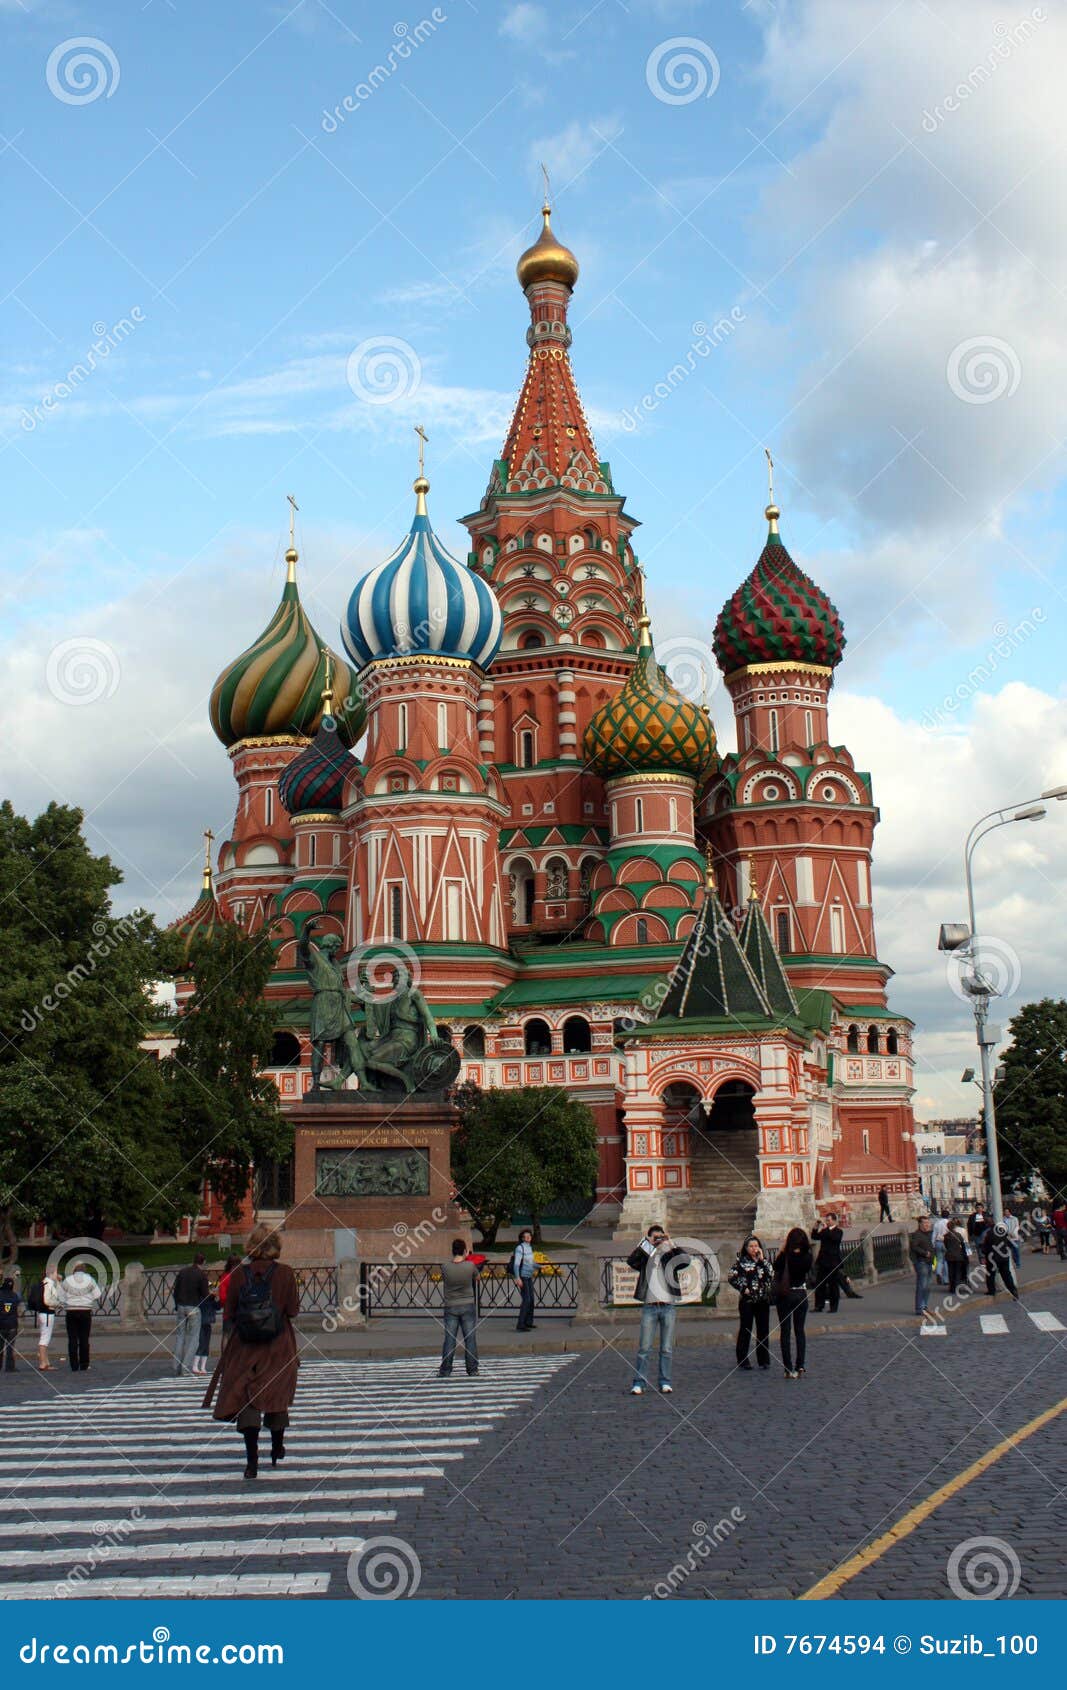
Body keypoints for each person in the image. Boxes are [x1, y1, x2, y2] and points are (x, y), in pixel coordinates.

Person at [205, 1224, 300, 1479]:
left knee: (248, 1398)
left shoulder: (238, 1274)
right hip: (277, 1346)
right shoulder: (286, 1273)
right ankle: (277, 1445)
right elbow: (292, 1311)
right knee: (276, 1397)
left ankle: (251, 1461)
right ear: (275, 1247)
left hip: (245, 1346)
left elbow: (230, 1311)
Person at [628, 1224, 691, 1396]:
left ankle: (665, 1381)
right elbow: (631, 1261)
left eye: (660, 1237)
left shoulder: (669, 1256)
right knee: (644, 1348)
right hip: (649, 1307)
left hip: (668, 1306)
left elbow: (686, 1260)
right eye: (655, 1237)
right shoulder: (645, 1256)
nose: (658, 1240)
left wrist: (671, 1243)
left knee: (666, 1348)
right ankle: (639, 1382)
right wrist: (646, 1244)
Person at [728, 1235, 773, 1371]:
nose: (754, 1249)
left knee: (763, 1330)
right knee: (746, 1329)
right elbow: (732, 1276)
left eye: (756, 1246)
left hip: (762, 1299)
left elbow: (771, 1274)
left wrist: (762, 1260)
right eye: (751, 1246)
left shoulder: (763, 1261)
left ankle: (763, 1359)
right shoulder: (741, 1261)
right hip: (747, 1300)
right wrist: (743, 1288)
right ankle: (743, 1359)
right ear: (746, 1248)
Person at [772, 1228, 813, 1378]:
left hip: (786, 1295)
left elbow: (775, 1267)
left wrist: (782, 1250)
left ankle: (788, 1368)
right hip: (801, 1294)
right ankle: (800, 1365)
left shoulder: (785, 1256)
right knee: (800, 1331)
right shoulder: (807, 1257)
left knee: (785, 1331)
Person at [438, 1238, 481, 1378]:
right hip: (467, 1304)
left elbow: (445, 1279)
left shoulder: (445, 1266)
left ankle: (445, 1370)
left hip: (451, 1305)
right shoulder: (470, 1266)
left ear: (452, 1251)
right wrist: (468, 1257)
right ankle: (472, 1369)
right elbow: (477, 1278)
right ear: (464, 1250)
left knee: (449, 1339)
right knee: (470, 1338)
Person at [58, 1261, 102, 1371]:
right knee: (84, 1338)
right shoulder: (90, 1280)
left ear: (74, 1269)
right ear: (84, 1269)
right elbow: (98, 1294)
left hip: (71, 1311)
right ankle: (84, 1363)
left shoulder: (67, 1280)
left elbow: (61, 1296)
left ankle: (74, 1364)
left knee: (72, 1338)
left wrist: (69, 1301)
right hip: (85, 1310)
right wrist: (88, 1299)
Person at [172, 1253, 210, 1378]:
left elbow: (175, 1290)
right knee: (194, 1339)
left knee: (180, 1337)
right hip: (194, 1307)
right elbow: (205, 1294)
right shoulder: (201, 1275)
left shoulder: (183, 1272)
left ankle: (176, 1366)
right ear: (203, 1262)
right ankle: (184, 1368)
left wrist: (177, 1304)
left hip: (181, 1306)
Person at [811, 1213, 844, 1313]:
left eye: (829, 1220)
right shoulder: (825, 1231)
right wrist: (816, 1226)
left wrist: (826, 1229)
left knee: (833, 1285)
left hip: (833, 1262)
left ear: (834, 1220)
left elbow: (834, 1239)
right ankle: (819, 1306)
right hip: (823, 1261)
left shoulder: (839, 1231)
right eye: (826, 1220)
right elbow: (815, 1236)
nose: (827, 1222)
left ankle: (833, 1307)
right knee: (820, 1284)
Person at [27, 1270, 59, 1372]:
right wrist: (57, 1303)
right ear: (51, 1274)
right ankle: (43, 1363)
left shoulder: (43, 1283)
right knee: (45, 1338)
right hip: (47, 1313)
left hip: (42, 1313)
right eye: (56, 1273)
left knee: (44, 1336)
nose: (57, 1275)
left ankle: (45, 1360)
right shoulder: (49, 1284)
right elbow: (47, 1300)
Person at [981, 1221, 1020, 1300]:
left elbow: (985, 1247)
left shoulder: (988, 1234)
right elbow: (1009, 1243)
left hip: (992, 1258)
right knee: (1007, 1275)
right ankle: (1013, 1291)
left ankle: (992, 1290)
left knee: (991, 1274)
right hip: (1003, 1257)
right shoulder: (1002, 1231)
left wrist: (984, 1254)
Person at [510, 1229, 537, 1332]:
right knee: (527, 1300)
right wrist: (517, 1278)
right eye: (525, 1236)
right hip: (523, 1277)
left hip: (529, 1276)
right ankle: (520, 1324)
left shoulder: (529, 1247)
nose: (528, 1238)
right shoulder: (520, 1248)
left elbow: (530, 1262)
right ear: (522, 1238)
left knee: (532, 1299)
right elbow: (516, 1264)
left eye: (529, 1236)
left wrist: (539, 1266)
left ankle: (528, 1322)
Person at [193, 1280, 221, 1376]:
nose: (212, 1290)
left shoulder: (212, 1299)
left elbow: (218, 1307)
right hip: (201, 1323)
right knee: (201, 1344)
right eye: (210, 1288)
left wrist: (217, 1297)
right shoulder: (202, 1298)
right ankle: (195, 1365)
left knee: (206, 1345)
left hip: (208, 1323)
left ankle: (203, 1366)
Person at [909, 1216, 935, 1316]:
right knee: (922, 1285)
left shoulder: (929, 1234)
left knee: (928, 1286)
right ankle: (919, 1308)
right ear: (920, 1224)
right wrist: (924, 1253)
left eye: (928, 1223)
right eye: (924, 1223)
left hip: (929, 1262)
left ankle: (924, 1306)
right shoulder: (917, 1234)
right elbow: (914, 1246)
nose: (927, 1225)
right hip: (921, 1262)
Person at [943, 1220, 970, 1294]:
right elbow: (962, 1244)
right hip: (959, 1256)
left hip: (949, 1256)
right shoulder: (958, 1235)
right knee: (957, 1272)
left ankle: (952, 1287)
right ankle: (956, 1287)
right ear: (954, 1227)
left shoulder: (946, 1236)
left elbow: (946, 1245)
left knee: (951, 1272)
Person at [0, 1278, 21, 1372]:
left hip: (1, 1324)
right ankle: (10, 1367)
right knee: (10, 1347)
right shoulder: (15, 1295)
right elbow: (18, 1310)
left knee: (0, 1347)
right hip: (12, 1324)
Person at [931, 1211, 950, 1285]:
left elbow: (934, 1234)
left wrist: (933, 1244)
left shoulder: (937, 1223)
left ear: (941, 1215)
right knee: (946, 1261)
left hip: (938, 1242)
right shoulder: (949, 1223)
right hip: (946, 1242)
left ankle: (938, 1272)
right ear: (948, 1216)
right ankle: (946, 1279)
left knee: (939, 1259)